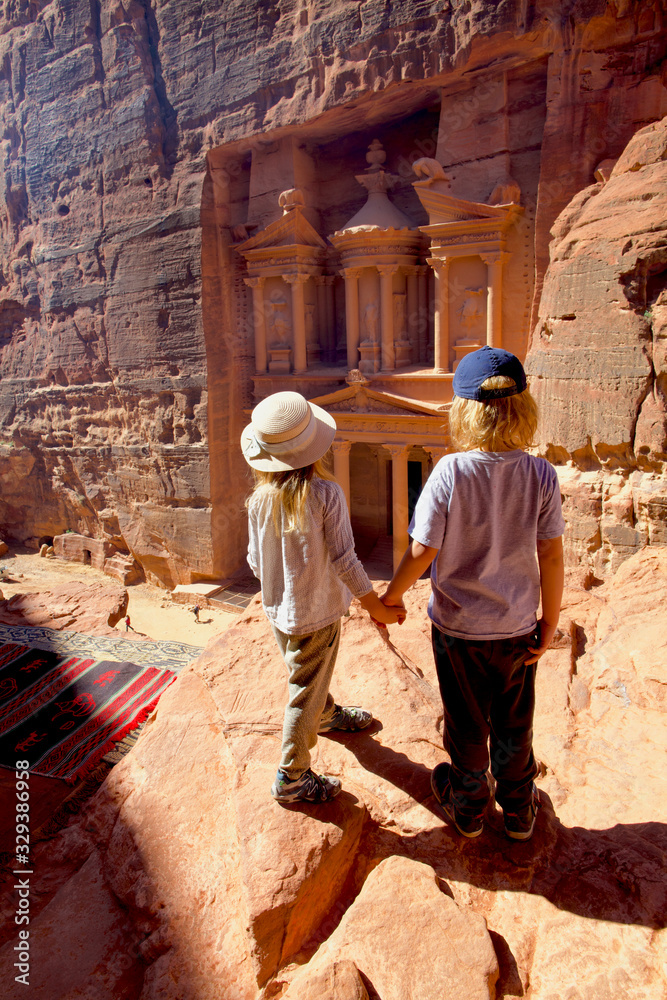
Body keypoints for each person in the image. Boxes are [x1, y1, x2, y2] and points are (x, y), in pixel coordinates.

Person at [382, 346, 564, 841]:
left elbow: (422, 550)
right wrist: (548, 623)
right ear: (522, 406)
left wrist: (392, 597)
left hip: (459, 630)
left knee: (465, 721)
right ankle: (519, 809)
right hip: (518, 628)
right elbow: (550, 554)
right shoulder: (540, 474)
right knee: (513, 721)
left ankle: (468, 807)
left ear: (464, 409)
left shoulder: (450, 471)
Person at [242, 391, 405, 805]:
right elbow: (345, 560)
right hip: (317, 615)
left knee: (308, 674)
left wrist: (282, 588)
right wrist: (377, 607)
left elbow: (255, 561)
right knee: (303, 686)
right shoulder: (325, 495)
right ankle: (292, 776)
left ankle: (326, 712)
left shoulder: (258, 500)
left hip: (279, 611)